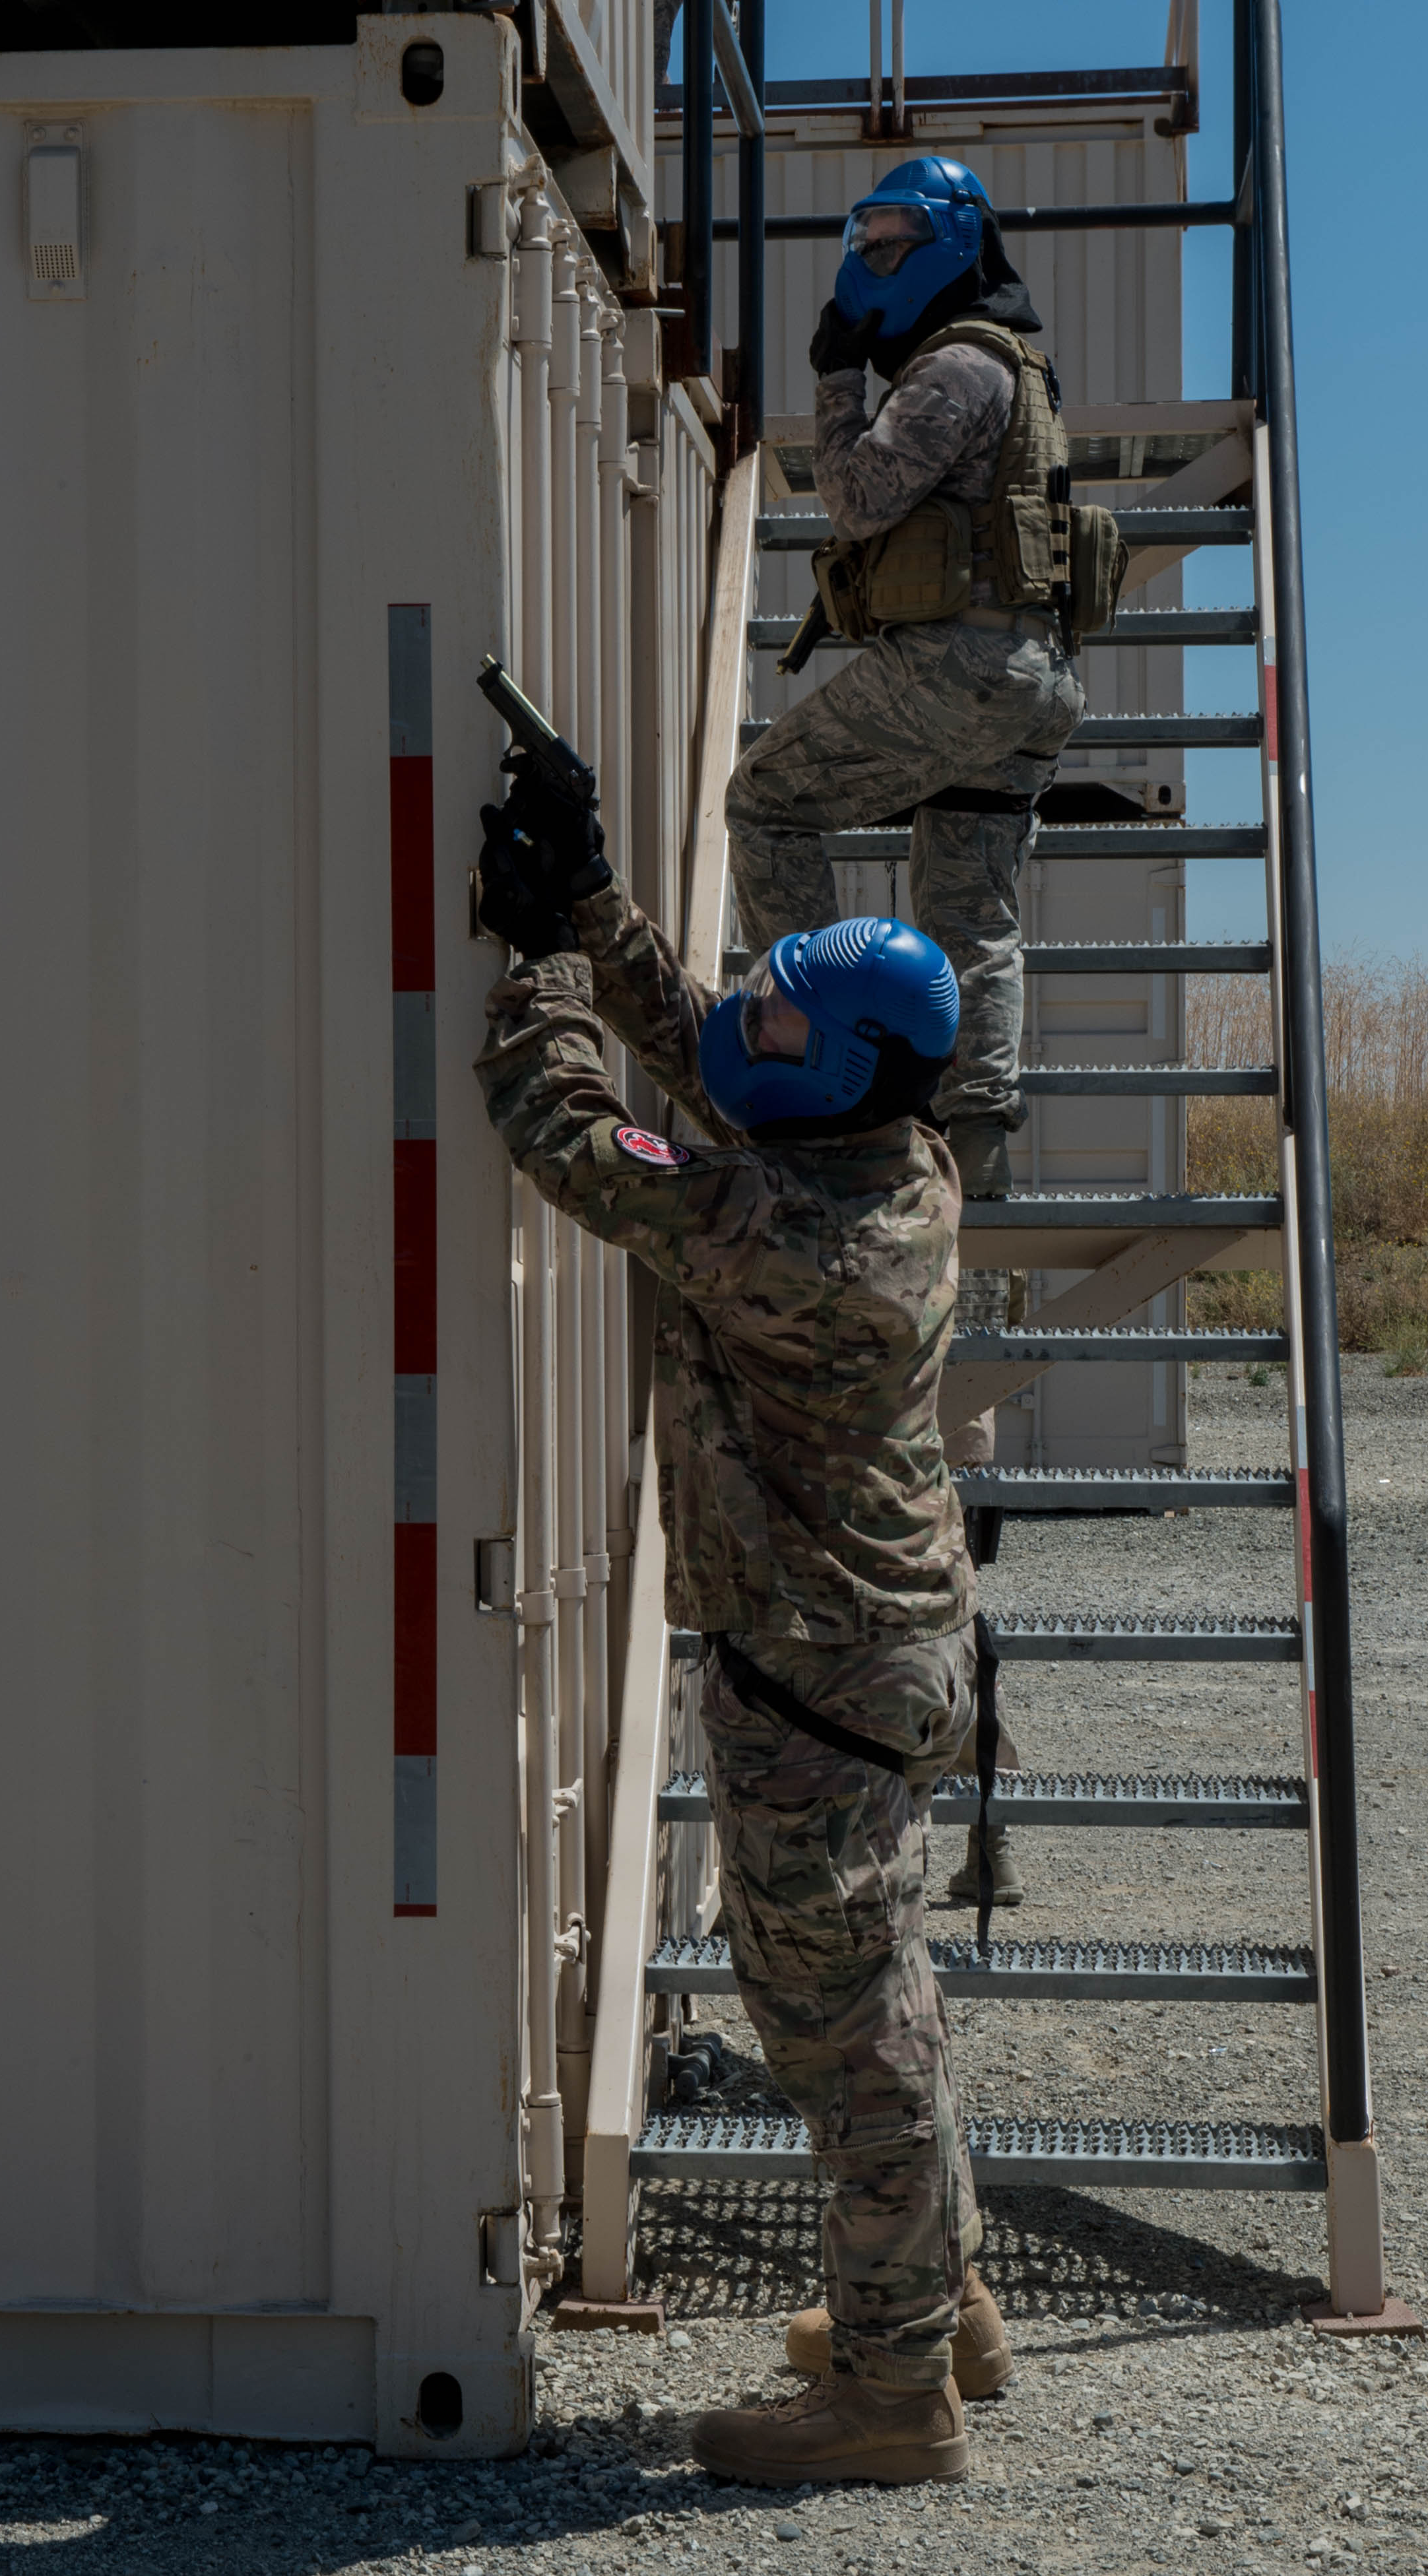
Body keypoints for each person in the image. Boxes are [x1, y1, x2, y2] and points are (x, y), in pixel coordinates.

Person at [472, 766, 1013, 2488]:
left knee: (842, 2037)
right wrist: (599, 908)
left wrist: (531, 968)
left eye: (786, 1020)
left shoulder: (772, 1228)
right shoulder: (885, 1151)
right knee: (878, 2003)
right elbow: (713, 1042)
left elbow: (559, 1125)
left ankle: (890, 2397)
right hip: (882, 1655)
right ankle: (942, 2307)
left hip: (821, 1678)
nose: (747, 1028)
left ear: (839, 1070)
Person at [724, 154, 1085, 1212]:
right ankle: (977, 1142)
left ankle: (811, 1064)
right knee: (970, 908)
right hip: (1033, 683)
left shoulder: (956, 369)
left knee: (767, 803)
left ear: (956, 243)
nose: (872, 260)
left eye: (894, 241)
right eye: (865, 240)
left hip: (961, 671)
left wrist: (836, 381)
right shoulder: (1019, 368)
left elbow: (857, 496)